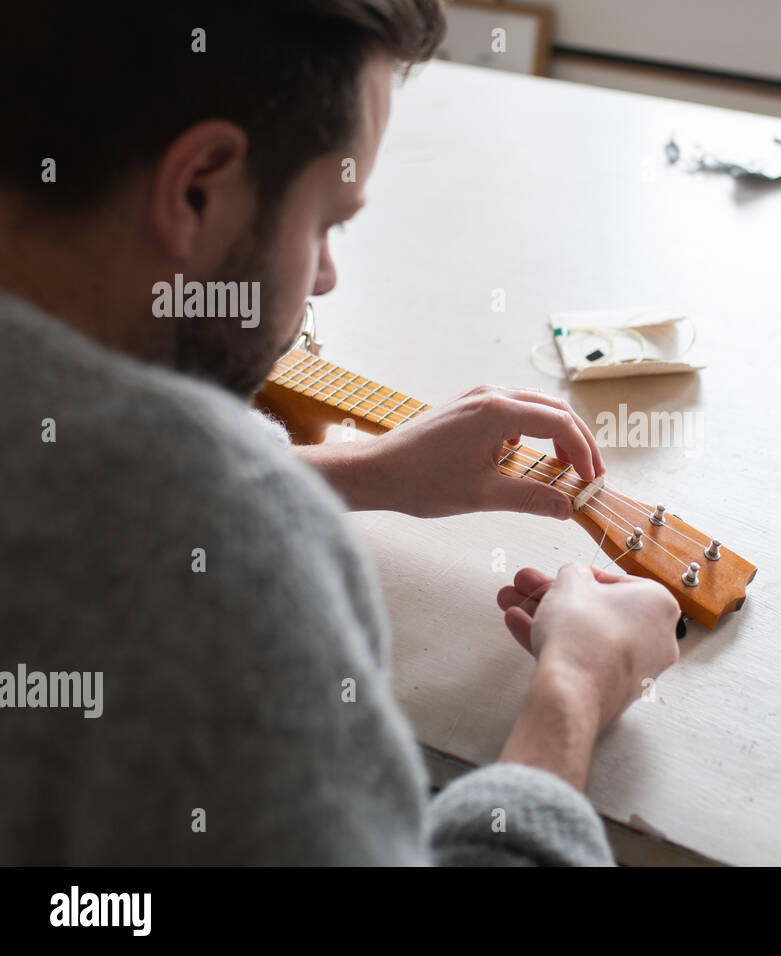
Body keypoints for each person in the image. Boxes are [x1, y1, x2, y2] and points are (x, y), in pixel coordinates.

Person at [0, 1, 680, 865]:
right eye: (327, 219)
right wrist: (576, 690)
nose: (324, 278)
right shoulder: (223, 551)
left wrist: (357, 471)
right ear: (198, 185)